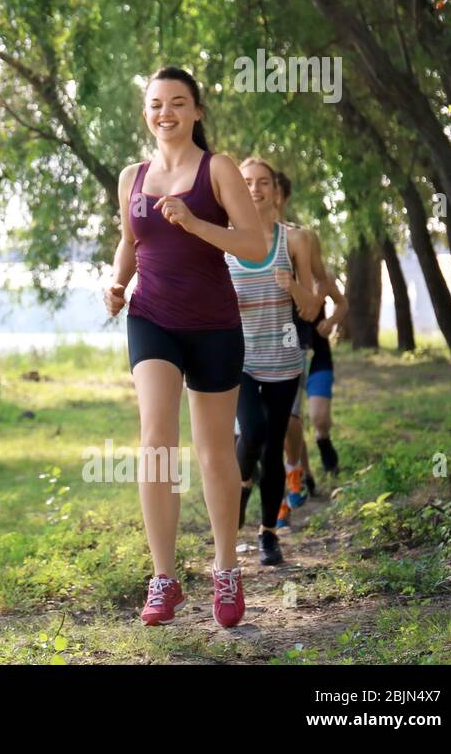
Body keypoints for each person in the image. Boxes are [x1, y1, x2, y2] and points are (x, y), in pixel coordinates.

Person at [104, 67, 267, 628]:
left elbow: (255, 244)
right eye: (155, 103)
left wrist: (198, 224)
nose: (165, 112)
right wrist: (117, 283)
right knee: (155, 439)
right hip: (152, 318)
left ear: (197, 111)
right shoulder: (133, 176)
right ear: (145, 111)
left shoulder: (217, 169)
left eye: (177, 102)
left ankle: (225, 570)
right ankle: (165, 577)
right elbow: (130, 241)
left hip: (214, 324)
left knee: (215, 451)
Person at [226, 159, 321, 565]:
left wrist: (294, 286)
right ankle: (237, 498)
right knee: (252, 432)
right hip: (239, 360)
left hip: (284, 361)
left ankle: (268, 535)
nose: (254, 189)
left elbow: (314, 308)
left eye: (262, 182)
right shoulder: (223, 241)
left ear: (274, 191)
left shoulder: (294, 241)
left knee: (273, 448)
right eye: (245, 182)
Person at [271, 171, 346, 525]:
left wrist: (330, 321)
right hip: (284, 345)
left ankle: (318, 448)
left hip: (315, 352)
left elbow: (337, 304)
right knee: (290, 417)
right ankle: (301, 473)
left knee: (313, 417)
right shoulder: (266, 251)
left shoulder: (313, 264)